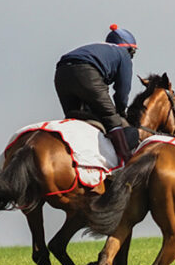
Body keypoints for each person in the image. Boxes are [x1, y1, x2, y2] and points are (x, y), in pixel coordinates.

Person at [54, 24, 138, 163]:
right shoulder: (123, 54)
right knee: (112, 119)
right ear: (128, 49)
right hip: (87, 72)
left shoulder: (99, 49)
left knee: (74, 119)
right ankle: (125, 162)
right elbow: (123, 89)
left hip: (61, 73)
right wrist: (120, 112)